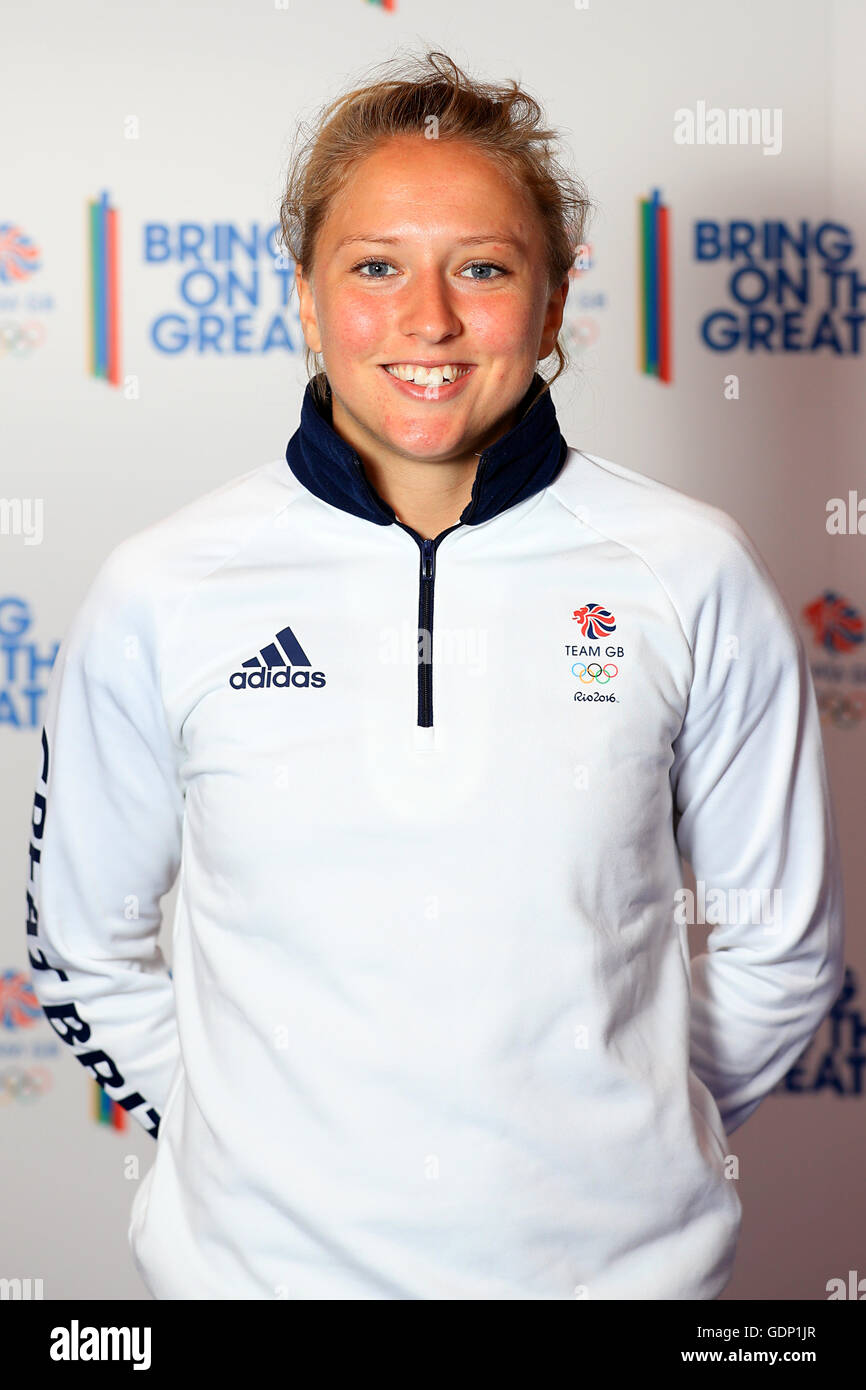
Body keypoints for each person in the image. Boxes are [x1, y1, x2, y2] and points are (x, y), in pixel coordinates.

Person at [25, 49, 844, 1301]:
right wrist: (254, 1139)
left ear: (555, 300)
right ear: (302, 293)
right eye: (373, 267)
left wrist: (612, 1121)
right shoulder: (166, 586)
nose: (428, 320)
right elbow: (83, 946)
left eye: (480, 266)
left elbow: (778, 946)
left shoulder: (689, 569)